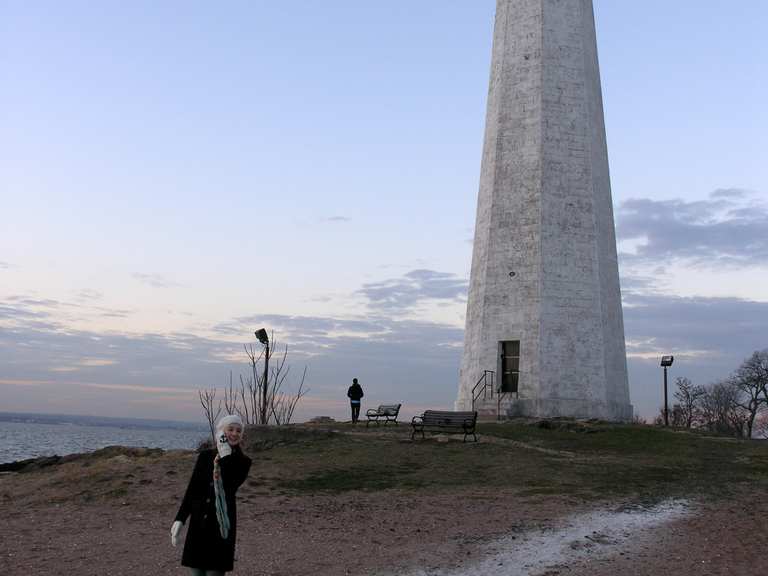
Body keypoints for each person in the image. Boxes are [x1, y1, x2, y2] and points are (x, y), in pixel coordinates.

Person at [171, 414, 252, 576]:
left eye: (238, 430)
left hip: (220, 526)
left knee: (214, 573)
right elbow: (193, 489)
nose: (235, 433)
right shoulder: (205, 456)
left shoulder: (243, 462)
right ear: (221, 432)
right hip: (198, 523)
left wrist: (224, 453)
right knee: (196, 573)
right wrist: (180, 519)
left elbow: (230, 483)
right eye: (230, 429)